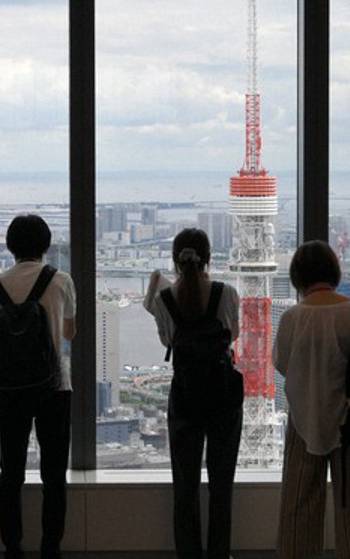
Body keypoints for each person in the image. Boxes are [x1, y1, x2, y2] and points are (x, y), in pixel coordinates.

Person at [273, 241, 350, 559]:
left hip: (304, 419)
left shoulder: (292, 317)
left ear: (297, 276)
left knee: (298, 509)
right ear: (334, 271)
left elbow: (281, 364)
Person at [0, 215, 76, 559]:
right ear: (46, 245)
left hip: (11, 389)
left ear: (9, 246)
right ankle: (51, 547)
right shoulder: (61, 280)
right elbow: (69, 333)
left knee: (11, 472)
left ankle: (13, 547)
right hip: (55, 386)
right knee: (54, 474)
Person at [144, 228, 242, 559]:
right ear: (208, 258)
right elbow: (233, 334)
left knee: (184, 486)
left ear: (175, 259)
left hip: (185, 394)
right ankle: (219, 554)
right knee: (221, 485)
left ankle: (188, 553)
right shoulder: (225, 292)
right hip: (223, 393)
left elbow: (168, 342)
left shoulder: (163, 299)